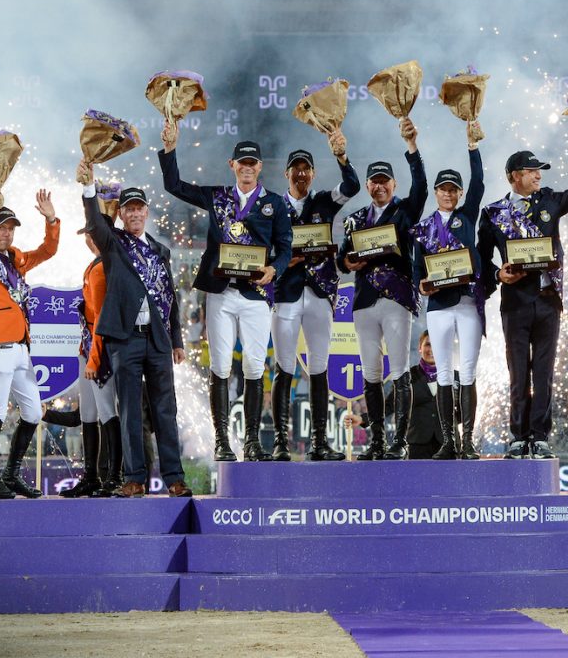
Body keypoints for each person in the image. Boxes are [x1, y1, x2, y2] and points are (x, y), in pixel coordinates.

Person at [478, 127, 568, 459]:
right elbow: (480, 257)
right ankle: (518, 436)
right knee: (518, 371)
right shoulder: (492, 213)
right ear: (514, 176)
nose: (537, 176)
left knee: (544, 372)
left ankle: (540, 436)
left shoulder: (550, 201)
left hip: (547, 301)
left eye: (538, 171)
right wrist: (498, 274)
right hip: (514, 302)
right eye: (532, 171)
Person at [159, 126, 292, 462]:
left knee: (253, 366)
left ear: (259, 167)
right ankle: (222, 441)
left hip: (255, 296)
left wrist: (274, 269)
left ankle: (250, 441)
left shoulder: (274, 203)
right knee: (219, 366)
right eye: (242, 162)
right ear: (232, 164)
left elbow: (286, 247)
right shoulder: (216, 197)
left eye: (253, 163)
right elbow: (173, 185)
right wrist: (170, 149)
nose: (247, 167)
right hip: (220, 292)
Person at [80, 164, 192, 498]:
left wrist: (177, 341)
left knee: (164, 410)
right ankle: (134, 478)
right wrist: (89, 189)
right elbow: (94, 224)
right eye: (127, 208)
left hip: (157, 341)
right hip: (125, 341)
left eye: (138, 208)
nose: (133, 213)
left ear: (146, 211)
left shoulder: (161, 251)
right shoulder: (113, 245)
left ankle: (174, 477)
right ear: (121, 213)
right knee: (129, 411)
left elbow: (170, 298)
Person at [337, 117, 426, 460]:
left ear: (393, 183)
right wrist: (348, 264)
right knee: (371, 371)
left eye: (384, 181)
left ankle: (399, 442)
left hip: (397, 298)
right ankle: (377, 440)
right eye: (373, 182)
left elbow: (421, 186)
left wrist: (412, 148)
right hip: (363, 302)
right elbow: (343, 258)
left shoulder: (406, 210)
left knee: (400, 368)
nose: (378, 187)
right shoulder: (356, 219)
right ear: (368, 186)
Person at [0, 188, 58, 499]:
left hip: (20, 347)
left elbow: (47, 251)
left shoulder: (16, 260)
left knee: (32, 412)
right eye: (1, 227)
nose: (6, 233)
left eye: (10, 228)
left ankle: (11, 475)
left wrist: (51, 219)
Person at [272, 131, 359, 461]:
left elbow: (351, 186)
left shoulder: (324, 200)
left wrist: (342, 156)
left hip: (321, 291)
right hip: (286, 293)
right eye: (296, 168)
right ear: (287, 173)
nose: (301, 173)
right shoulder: (272, 205)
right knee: (284, 367)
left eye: (306, 168)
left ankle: (320, 442)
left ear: (313, 173)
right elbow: (263, 248)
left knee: (319, 367)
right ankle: (282, 441)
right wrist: (282, 259)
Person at [412, 121, 487, 460]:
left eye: (452, 189)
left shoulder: (467, 216)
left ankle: (467, 440)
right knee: (444, 371)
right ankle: (448, 441)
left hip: (468, 301)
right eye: (443, 188)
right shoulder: (423, 228)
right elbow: (417, 269)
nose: (447, 193)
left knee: (468, 370)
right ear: (436, 193)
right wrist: (421, 284)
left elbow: (479, 183)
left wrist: (473, 148)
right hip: (439, 305)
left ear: (458, 194)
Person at [41, 213, 122, 497]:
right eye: (87, 234)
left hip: (98, 353)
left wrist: (94, 359)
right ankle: (92, 476)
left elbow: (100, 319)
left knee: (105, 412)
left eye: (91, 233)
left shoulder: (102, 269)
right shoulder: (97, 265)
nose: (88, 238)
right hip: (87, 350)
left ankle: (113, 476)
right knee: (88, 414)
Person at [343, 331, 451, 459]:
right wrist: (363, 419)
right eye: (427, 344)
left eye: (436, 345)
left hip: (448, 444)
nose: (431, 349)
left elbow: (462, 411)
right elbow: (389, 405)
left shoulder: (454, 377)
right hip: (417, 445)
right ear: (420, 348)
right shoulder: (407, 377)